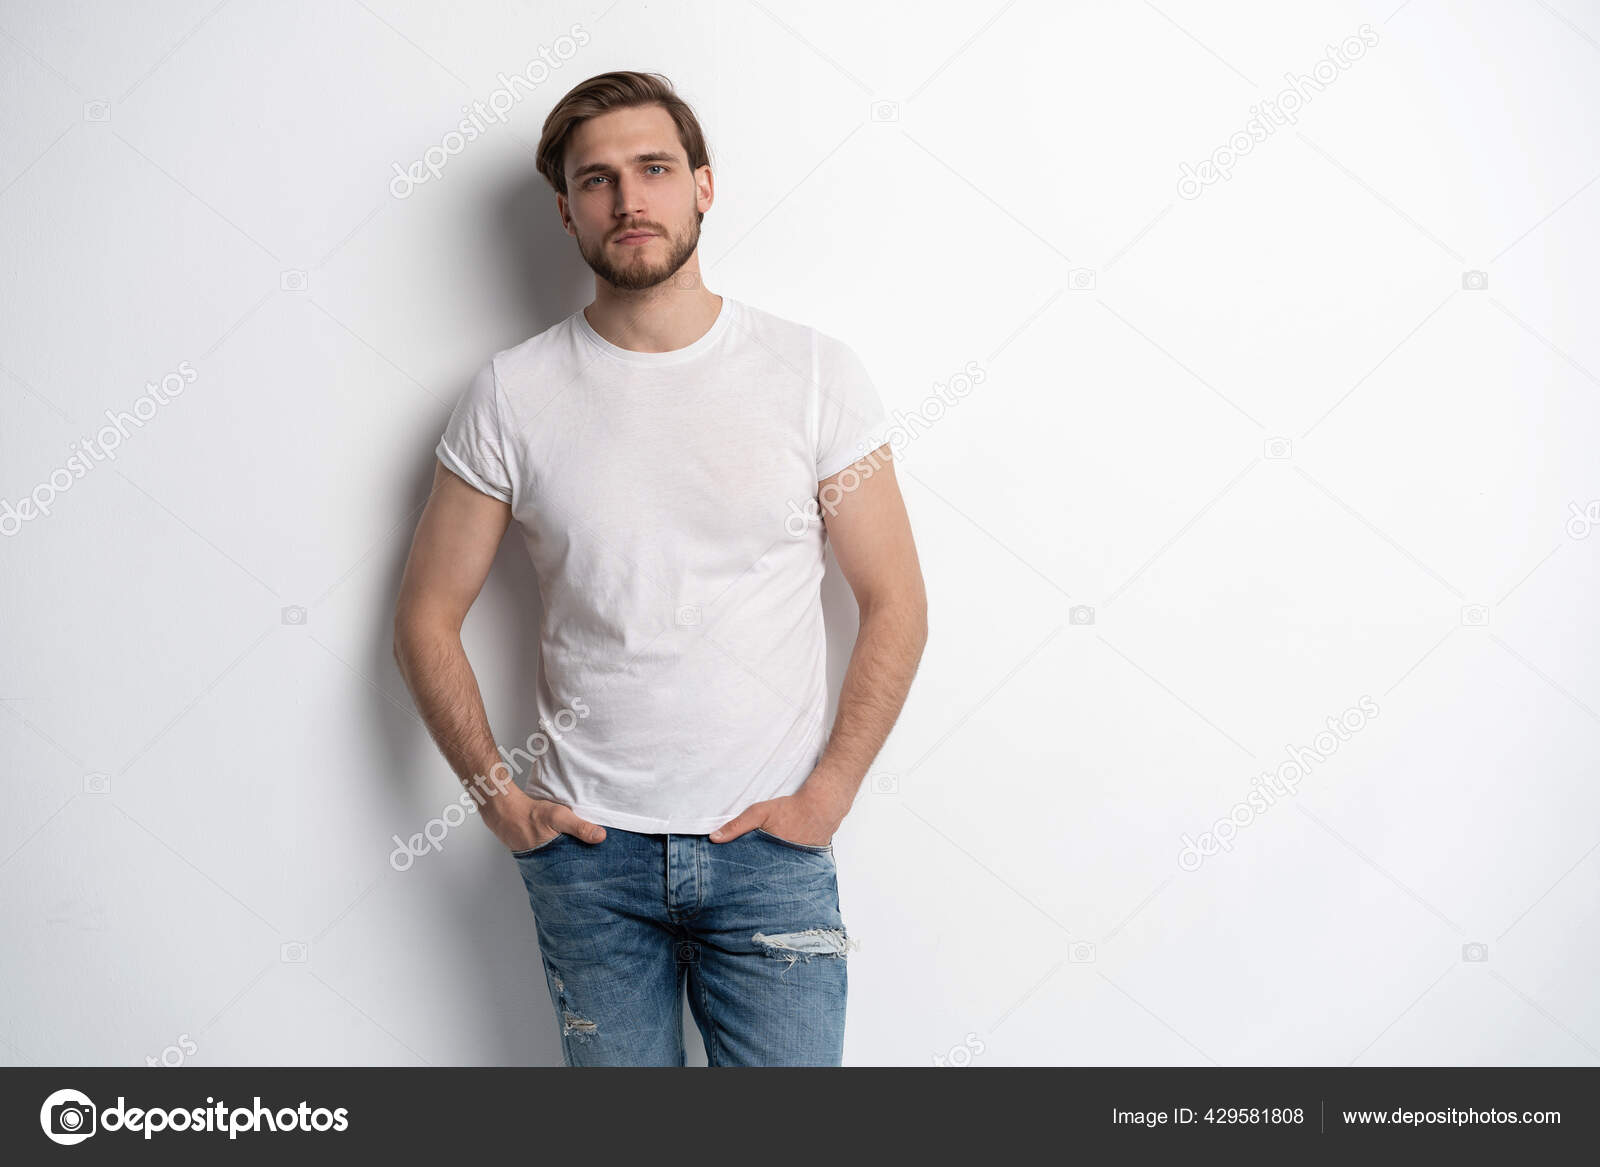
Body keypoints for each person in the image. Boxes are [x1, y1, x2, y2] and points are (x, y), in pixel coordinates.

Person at [393, 70, 927, 1066]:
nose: (629, 199)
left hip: (770, 854)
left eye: (654, 168)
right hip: (588, 858)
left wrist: (826, 799)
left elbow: (894, 601)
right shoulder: (513, 393)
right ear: (565, 211)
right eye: (597, 181)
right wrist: (504, 806)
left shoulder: (813, 374)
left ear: (703, 187)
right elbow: (425, 617)